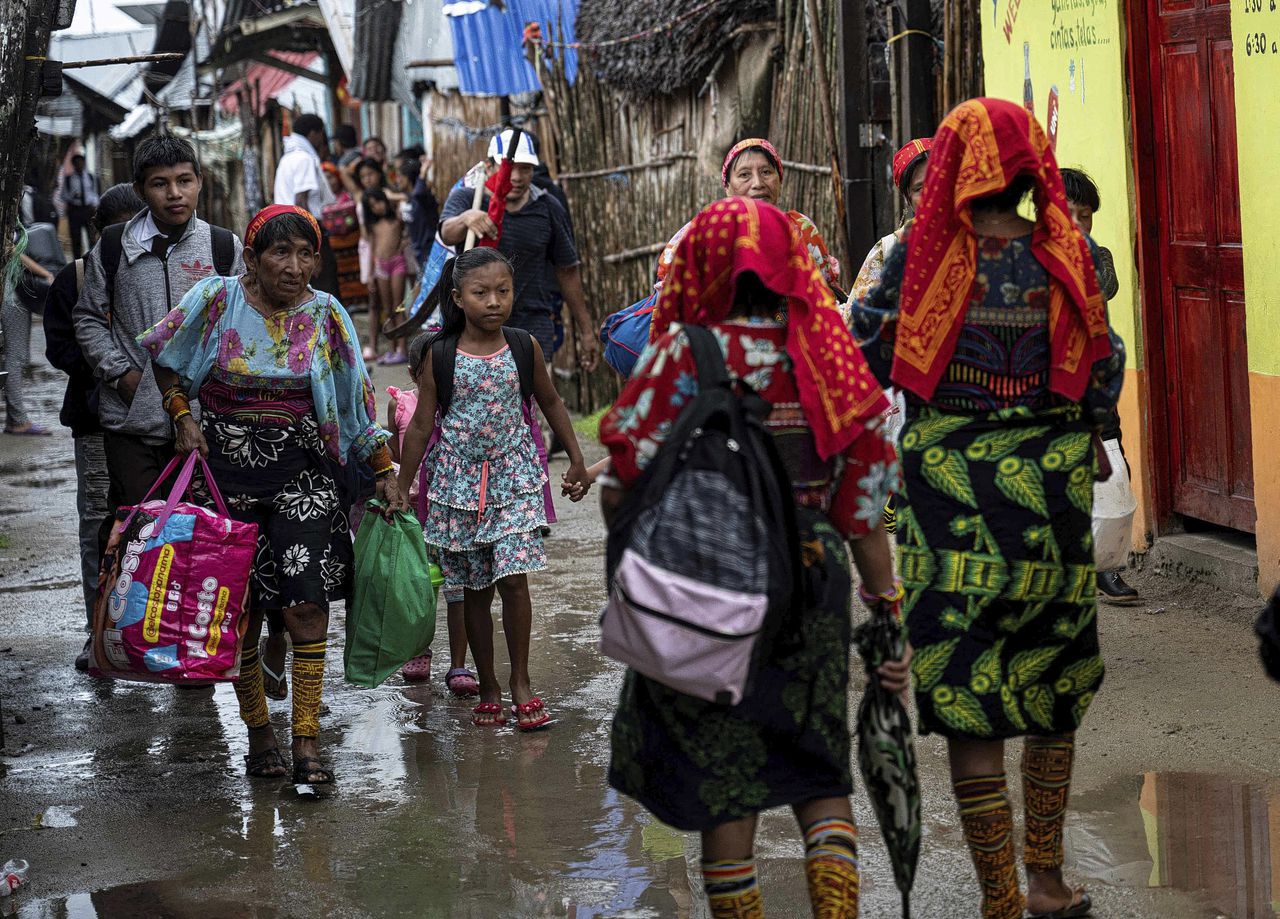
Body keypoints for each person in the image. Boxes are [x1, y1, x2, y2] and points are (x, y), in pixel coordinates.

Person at [598, 197, 909, 918]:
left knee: (725, 782)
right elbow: (865, 498)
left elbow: (623, 476)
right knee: (818, 769)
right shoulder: (826, 350)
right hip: (813, 579)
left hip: (708, 583)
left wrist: (651, 563)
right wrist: (886, 609)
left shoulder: (683, 353)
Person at [853, 98, 1123, 919]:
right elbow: (1102, 371)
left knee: (971, 695)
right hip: (1049, 503)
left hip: (948, 505)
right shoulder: (1067, 256)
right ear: (1031, 168)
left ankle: (1000, 897)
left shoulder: (918, 258)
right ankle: (1047, 880)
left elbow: (868, 354)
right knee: (1051, 682)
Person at [138, 204, 402, 784]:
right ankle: (259, 736)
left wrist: (384, 470)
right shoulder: (216, 299)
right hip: (223, 479)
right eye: (281, 253)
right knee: (240, 613)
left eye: (306, 255)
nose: (295, 267)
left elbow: (354, 401)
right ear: (252, 259)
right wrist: (181, 416)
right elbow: (165, 358)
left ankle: (306, 741)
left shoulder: (327, 313)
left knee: (306, 606)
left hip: (303, 479)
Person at [391, 248, 591, 730]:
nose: (494, 301)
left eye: (503, 291)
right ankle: (488, 686)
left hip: (514, 478)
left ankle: (521, 682)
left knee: (515, 580)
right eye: (481, 293)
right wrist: (402, 485)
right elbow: (421, 425)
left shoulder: (524, 346)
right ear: (459, 298)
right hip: (458, 485)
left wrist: (577, 458)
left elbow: (551, 401)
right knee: (476, 590)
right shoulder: (441, 355)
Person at [75, 133, 245, 556]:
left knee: (202, 540)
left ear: (200, 181)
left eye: (184, 181)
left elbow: (242, 325)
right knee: (139, 538)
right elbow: (88, 318)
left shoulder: (223, 247)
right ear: (140, 190)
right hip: (133, 424)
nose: (174, 193)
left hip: (207, 422)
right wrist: (122, 376)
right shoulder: (113, 247)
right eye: (160, 183)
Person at [43, 182, 145, 669]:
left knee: (158, 523)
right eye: (115, 234)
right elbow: (60, 348)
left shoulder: (157, 270)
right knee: (98, 525)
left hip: (156, 418)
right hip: (96, 422)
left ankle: (152, 630)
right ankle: (98, 632)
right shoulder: (77, 278)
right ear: (98, 232)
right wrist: (113, 370)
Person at [439, 130, 598, 372]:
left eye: (525, 169)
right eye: (509, 167)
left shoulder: (547, 207)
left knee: (534, 394)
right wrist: (466, 219)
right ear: (489, 166)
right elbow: (447, 233)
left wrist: (586, 331)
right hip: (474, 330)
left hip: (533, 326)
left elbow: (567, 271)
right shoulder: (469, 200)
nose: (516, 177)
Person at [1061, 167, 1139, 607]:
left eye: (1085, 215)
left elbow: (1102, 287)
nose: (1077, 223)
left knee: (1112, 468)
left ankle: (1106, 566)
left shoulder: (1099, 258)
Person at [384, 333, 478, 695]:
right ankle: (418, 651)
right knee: (417, 586)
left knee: (458, 588)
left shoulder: (461, 405)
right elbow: (395, 453)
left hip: (454, 509)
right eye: (430, 370)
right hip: (414, 512)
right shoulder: (401, 405)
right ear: (413, 374)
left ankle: (459, 663)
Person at [848, 137, 933, 536]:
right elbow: (859, 318)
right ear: (907, 198)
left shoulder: (985, 240)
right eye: (920, 188)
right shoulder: (889, 250)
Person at [273, 113, 339, 296]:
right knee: (322, 286)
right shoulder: (304, 158)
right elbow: (301, 201)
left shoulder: (288, 158)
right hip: (304, 229)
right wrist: (311, 247)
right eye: (321, 134)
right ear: (313, 134)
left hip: (289, 228)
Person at [363, 188, 409, 365]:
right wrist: (370, 276)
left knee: (398, 307)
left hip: (397, 263)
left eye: (379, 201)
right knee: (388, 309)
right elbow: (372, 250)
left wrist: (403, 244)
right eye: (372, 206)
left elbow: (404, 199)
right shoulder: (373, 226)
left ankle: (402, 349)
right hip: (380, 267)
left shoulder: (397, 218)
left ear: (384, 199)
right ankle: (392, 349)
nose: (377, 207)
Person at [63, 153, 100, 260]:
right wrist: (73, 196)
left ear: (84, 163)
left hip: (89, 210)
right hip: (75, 210)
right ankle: (77, 261)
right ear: (73, 164)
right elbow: (64, 196)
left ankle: (93, 259)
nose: (79, 165)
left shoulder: (90, 177)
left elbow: (95, 193)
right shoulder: (68, 179)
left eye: (81, 162)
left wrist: (94, 206)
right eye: (77, 163)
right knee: (76, 238)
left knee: (91, 236)